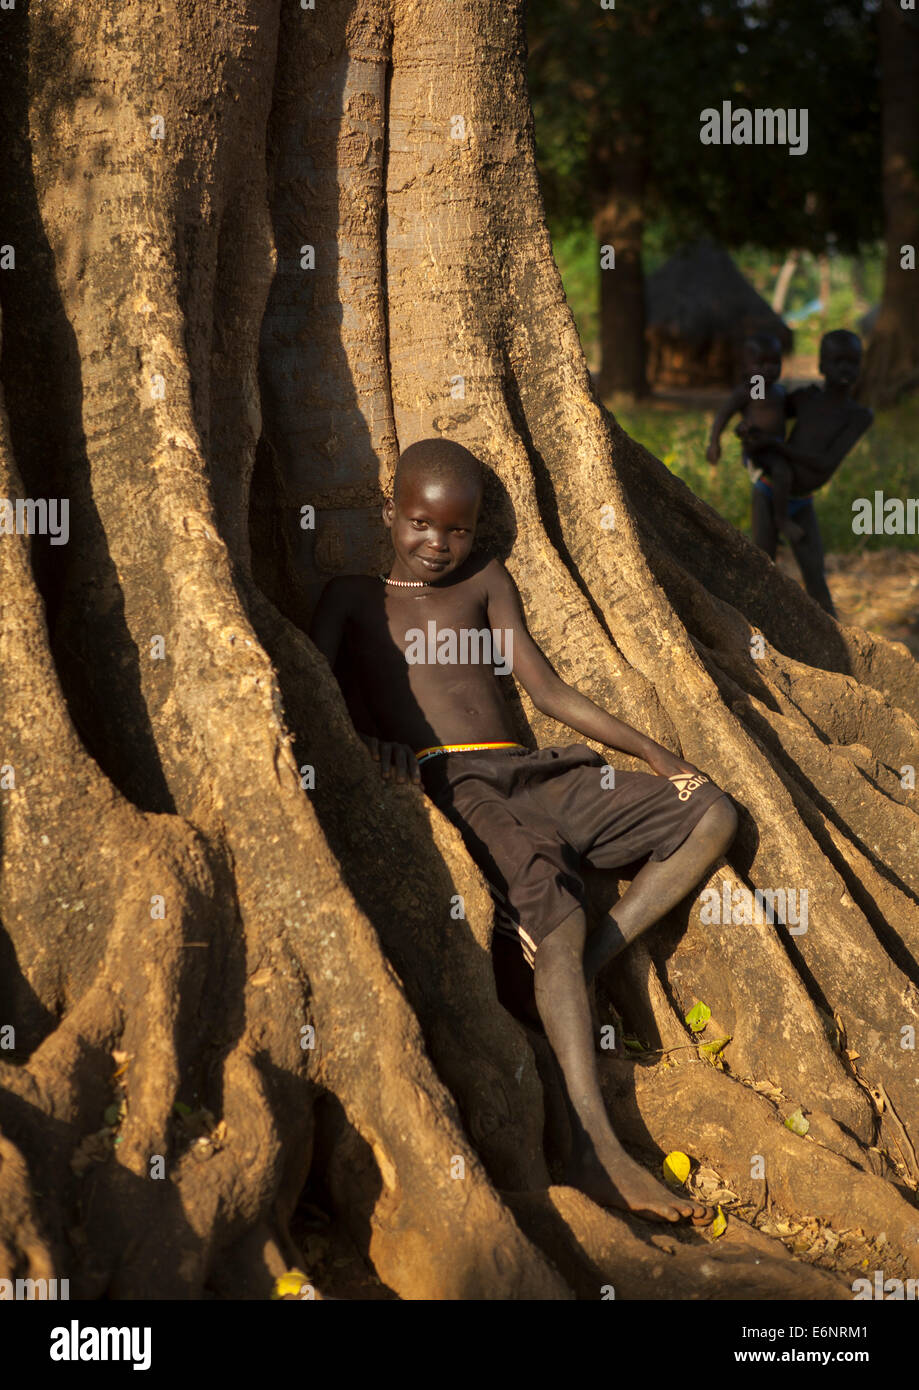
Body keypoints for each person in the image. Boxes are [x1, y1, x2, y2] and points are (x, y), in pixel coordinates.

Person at [309, 437, 738, 1224]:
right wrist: (364, 738)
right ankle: (593, 1147)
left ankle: (593, 962)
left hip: (534, 771)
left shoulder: (485, 583)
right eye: (419, 524)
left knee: (712, 812)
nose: (437, 545)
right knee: (556, 920)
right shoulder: (351, 598)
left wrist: (653, 751)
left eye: (456, 531)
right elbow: (316, 695)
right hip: (458, 784)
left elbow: (545, 686)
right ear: (389, 513)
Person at [744, 329, 873, 617]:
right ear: (822, 365)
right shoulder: (806, 398)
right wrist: (747, 421)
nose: (845, 368)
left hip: (801, 501)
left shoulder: (858, 416)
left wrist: (775, 445)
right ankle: (755, 637)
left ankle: (837, 650)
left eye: (852, 362)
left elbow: (826, 463)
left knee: (815, 577)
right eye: (837, 361)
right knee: (762, 568)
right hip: (768, 489)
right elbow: (764, 403)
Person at [706, 332, 804, 543]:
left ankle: (777, 520)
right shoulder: (751, 390)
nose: (768, 369)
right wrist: (714, 442)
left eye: (774, 363)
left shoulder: (778, 391)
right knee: (781, 470)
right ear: (746, 367)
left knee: (790, 467)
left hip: (775, 445)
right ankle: (782, 519)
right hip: (757, 448)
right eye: (760, 364)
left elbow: (784, 412)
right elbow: (724, 414)